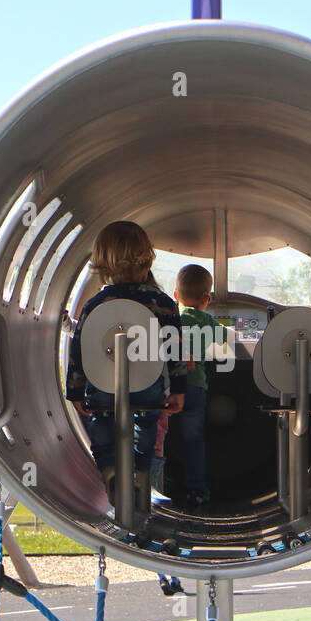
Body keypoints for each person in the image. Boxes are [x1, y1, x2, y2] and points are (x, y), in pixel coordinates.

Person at [65, 222, 186, 519]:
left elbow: (79, 352)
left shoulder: (95, 305)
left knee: (102, 431)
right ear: (147, 259)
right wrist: (179, 389)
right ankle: (140, 477)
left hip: (103, 388)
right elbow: (175, 351)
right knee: (144, 430)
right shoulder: (163, 304)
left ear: (103, 264)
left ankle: (110, 472)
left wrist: (75, 391)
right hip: (147, 389)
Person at [174, 264, 229, 509]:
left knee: (164, 435)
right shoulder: (207, 320)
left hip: (170, 386)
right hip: (196, 388)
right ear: (206, 299)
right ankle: (196, 490)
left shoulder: (173, 319)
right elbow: (226, 339)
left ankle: (163, 483)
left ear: (176, 296)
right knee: (193, 439)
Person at [151, 413, 182, 596]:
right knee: (166, 535)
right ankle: (173, 577)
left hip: (146, 457)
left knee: (154, 532)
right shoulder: (159, 406)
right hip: (154, 456)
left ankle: (164, 577)